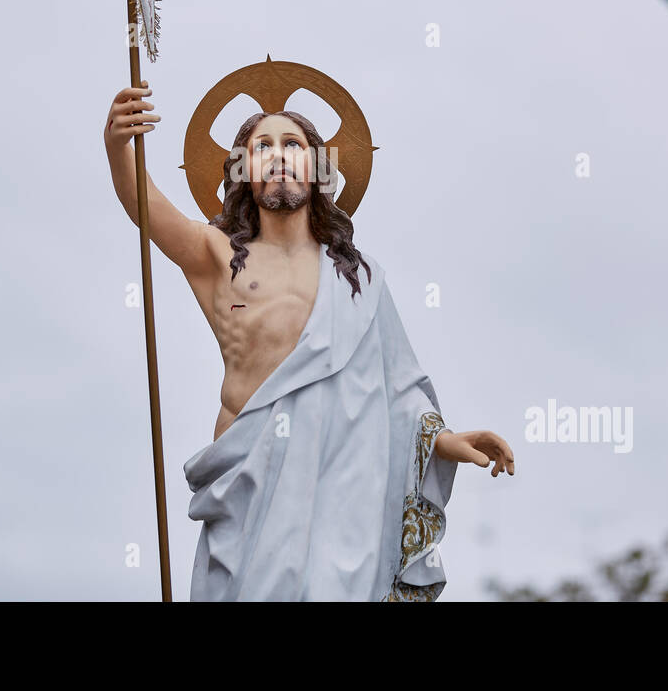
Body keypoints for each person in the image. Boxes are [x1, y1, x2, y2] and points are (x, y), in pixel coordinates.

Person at [105, 81, 514, 600]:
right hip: (251, 486)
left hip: (343, 491)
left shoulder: (359, 280)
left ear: (320, 168)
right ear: (242, 173)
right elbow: (145, 206)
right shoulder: (216, 255)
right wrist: (118, 145)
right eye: (262, 148)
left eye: (292, 145)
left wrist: (446, 442)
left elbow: (397, 388)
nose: (278, 157)